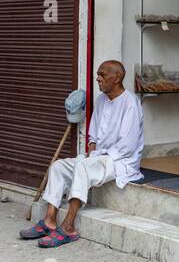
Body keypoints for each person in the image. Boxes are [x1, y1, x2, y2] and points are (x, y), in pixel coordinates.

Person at [20, 60, 143, 248]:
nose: (97, 78)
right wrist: (92, 153)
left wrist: (96, 159)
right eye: (98, 74)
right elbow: (93, 135)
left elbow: (127, 145)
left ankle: (68, 226)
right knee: (59, 166)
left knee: (84, 166)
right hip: (97, 157)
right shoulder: (101, 100)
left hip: (120, 160)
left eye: (102, 75)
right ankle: (49, 220)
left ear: (117, 78)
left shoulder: (131, 104)